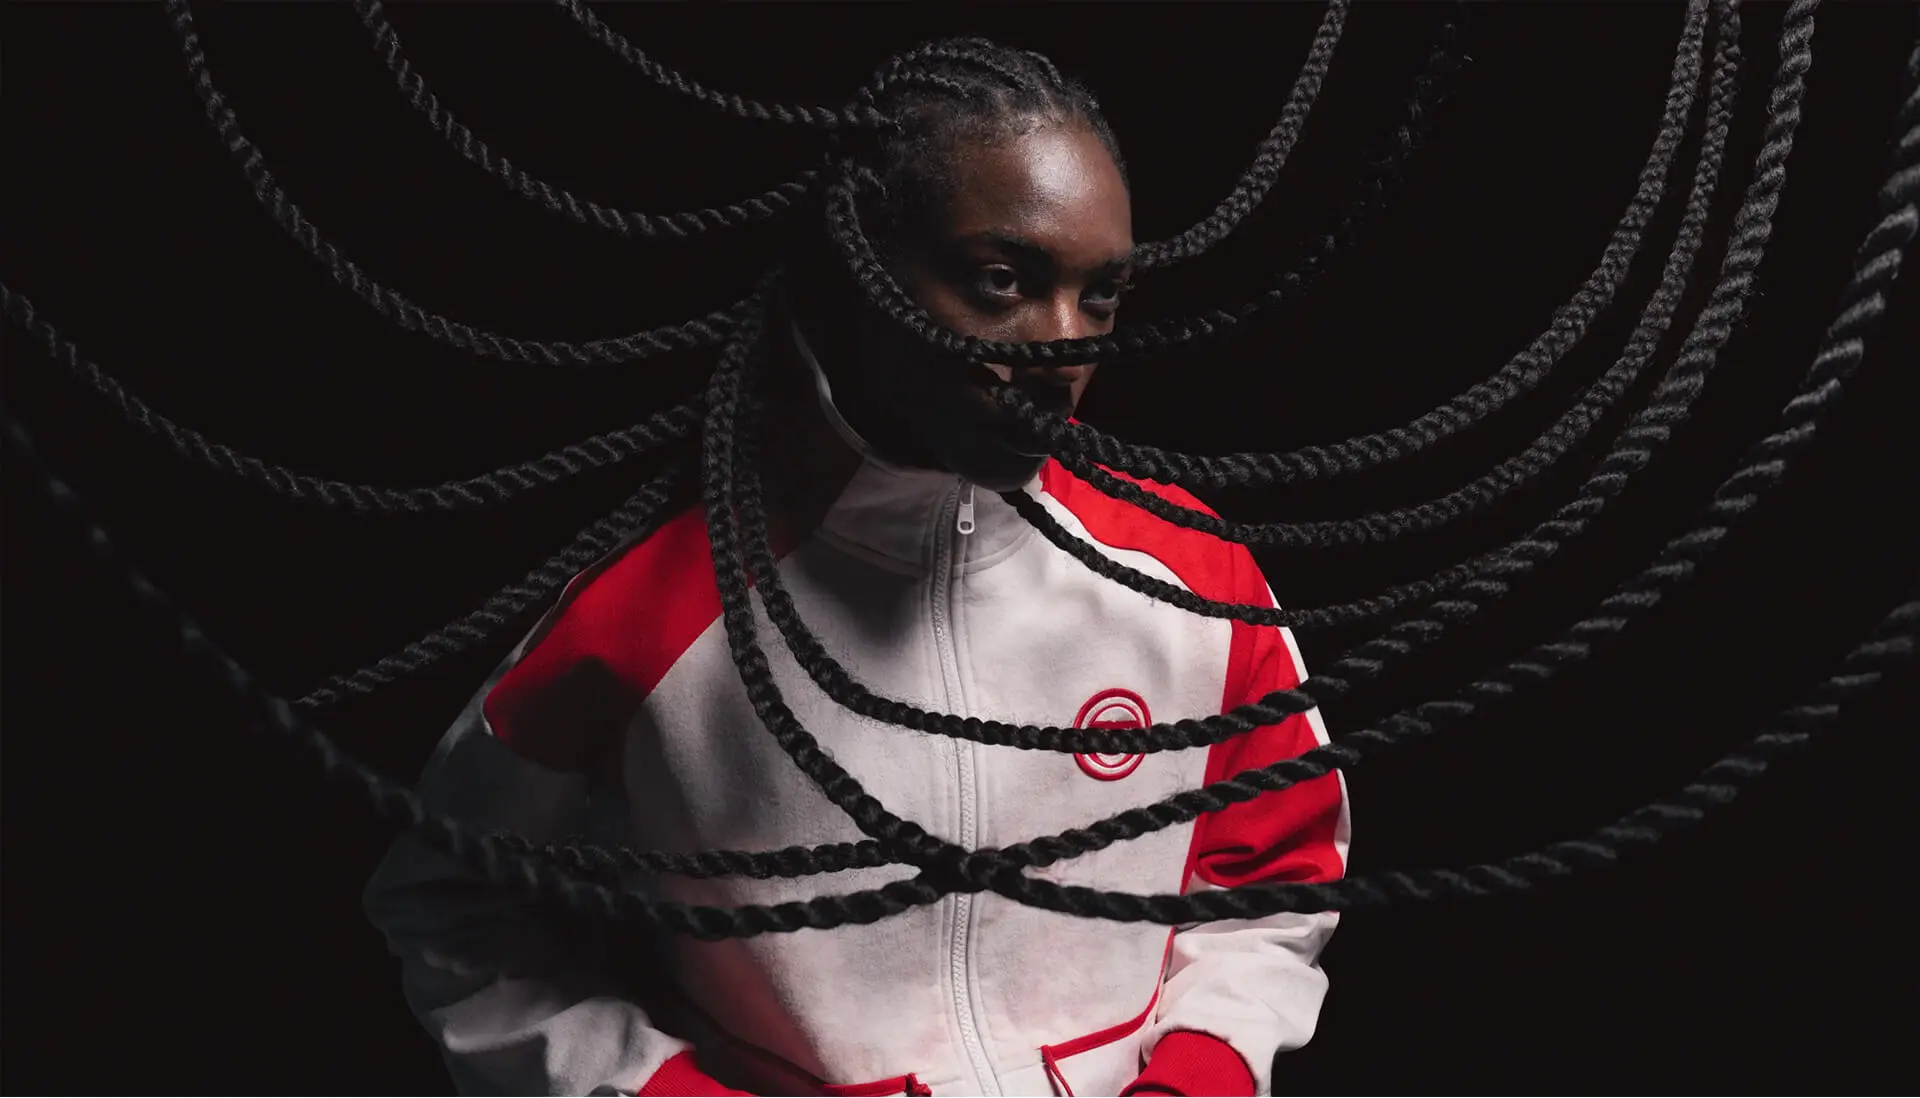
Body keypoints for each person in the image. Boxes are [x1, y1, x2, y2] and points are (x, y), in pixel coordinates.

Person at [363, 37, 1349, 1098]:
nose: (1060, 348)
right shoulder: (655, 617)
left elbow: (1274, 877)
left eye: (1100, 296)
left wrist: (1193, 1081)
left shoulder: (1192, 579)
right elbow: (455, 910)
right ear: (861, 272)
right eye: (1002, 281)